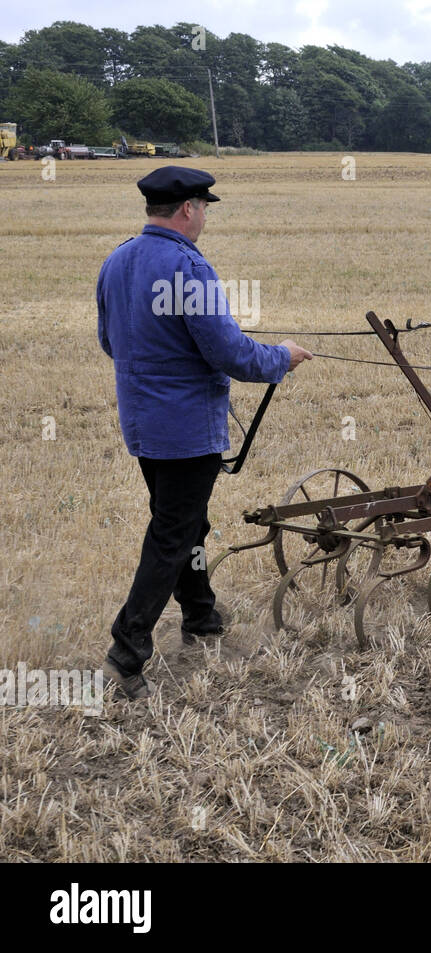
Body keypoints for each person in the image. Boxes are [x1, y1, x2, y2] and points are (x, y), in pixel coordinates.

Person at [97, 166, 312, 700]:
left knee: (185, 521)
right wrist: (281, 357)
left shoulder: (117, 260)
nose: (206, 216)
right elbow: (231, 353)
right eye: (205, 207)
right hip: (186, 428)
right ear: (189, 208)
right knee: (172, 533)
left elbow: (110, 341)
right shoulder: (189, 268)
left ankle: (201, 615)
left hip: (143, 423)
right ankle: (127, 653)